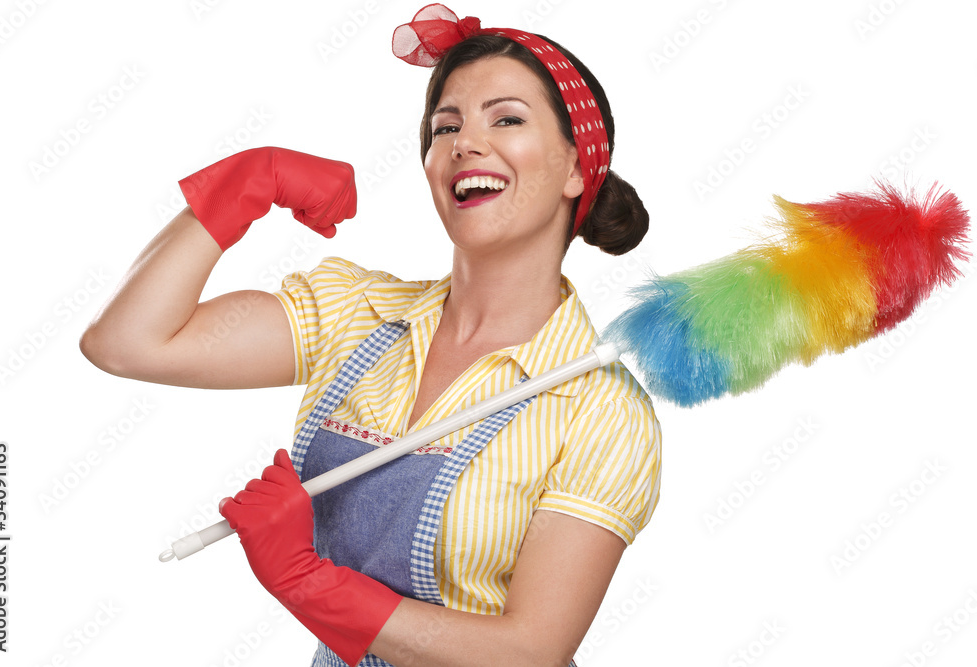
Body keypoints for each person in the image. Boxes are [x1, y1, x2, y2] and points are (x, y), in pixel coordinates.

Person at [80, 4, 661, 665]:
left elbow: (529, 651)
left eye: (506, 118)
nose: (464, 142)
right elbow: (126, 342)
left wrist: (308, 582)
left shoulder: (602, 409)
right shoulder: (356, 313)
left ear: (576, 168)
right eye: (447, 126)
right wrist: (244, 185)